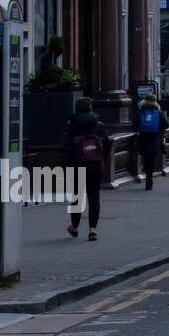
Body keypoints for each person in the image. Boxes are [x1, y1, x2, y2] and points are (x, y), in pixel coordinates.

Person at [66, 98, 107, 240]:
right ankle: (92, 229)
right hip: (95, 166)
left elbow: (66, 148)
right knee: (94, 197)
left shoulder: (71, 127)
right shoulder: (99, 125)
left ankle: (75, 227)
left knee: (77, 197)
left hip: (76, 166)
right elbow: (106, 145)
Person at [134, 93, 169, 190]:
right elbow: (166, 125)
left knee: (145, 158)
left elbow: (134, 126)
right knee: (152, 159)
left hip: (143, 139)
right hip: (154, 139)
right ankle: (149, 181)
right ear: (155, 101)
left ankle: (146, 170)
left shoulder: (140, 112)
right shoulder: (158, 112)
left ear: (144, 101)